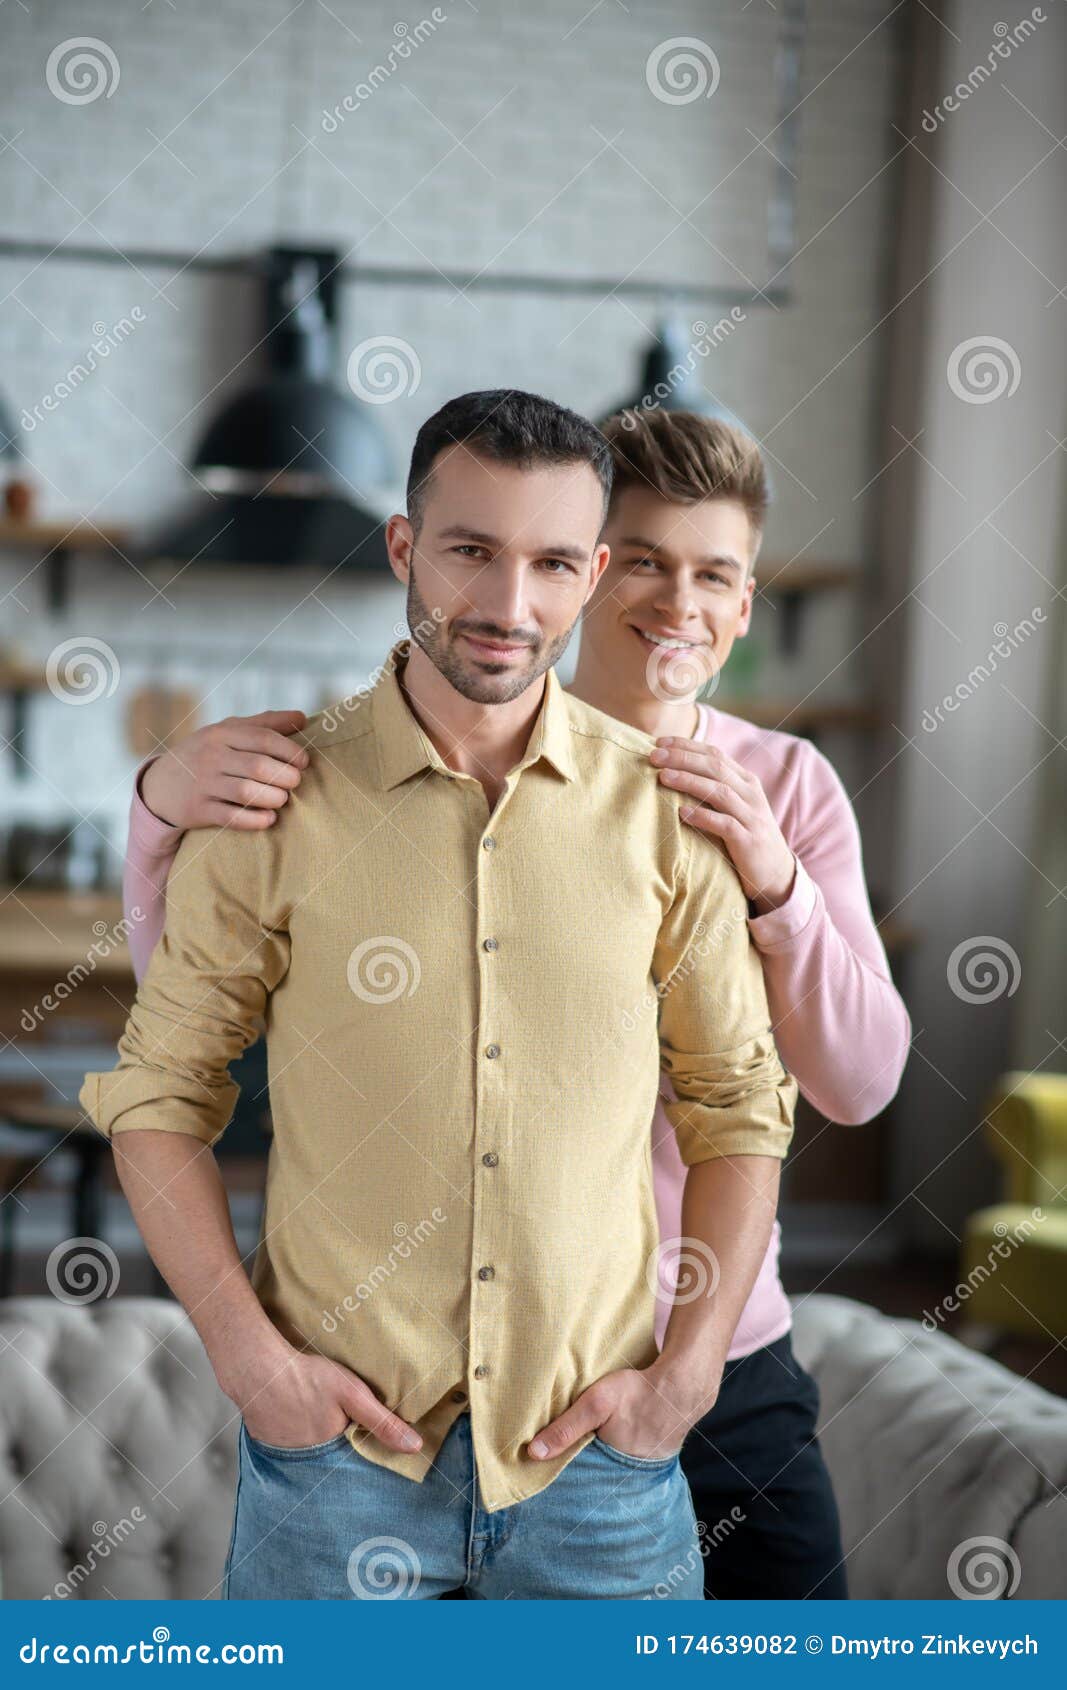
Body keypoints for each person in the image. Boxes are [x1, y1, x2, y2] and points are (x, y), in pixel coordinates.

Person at [80, 390, 798, 1602]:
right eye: (470, 550)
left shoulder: (672, 814)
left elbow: (739, 1105)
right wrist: (254, 1365)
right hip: (337, 1470)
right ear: (405, 548)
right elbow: (157, 1098)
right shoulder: (269, 801)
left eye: (553, 562)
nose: (509, 608)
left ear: (594, 573)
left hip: (598, 1474)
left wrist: (683, 1380)